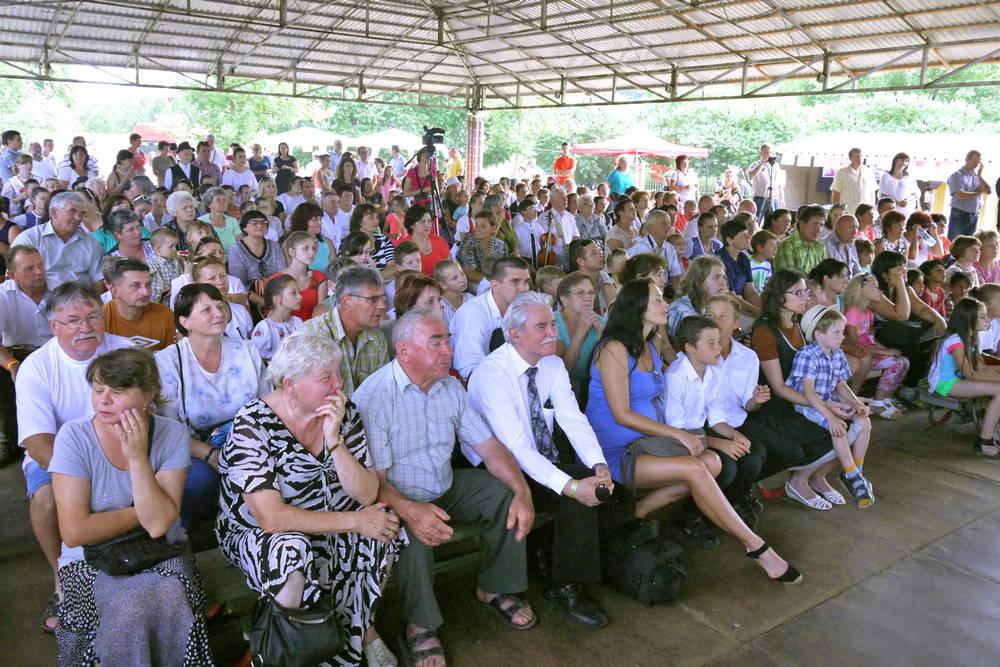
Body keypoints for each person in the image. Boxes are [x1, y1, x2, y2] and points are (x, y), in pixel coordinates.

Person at [585, 280, 802, 582]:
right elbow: (622, 414)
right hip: (616, 450)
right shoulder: (613, 349)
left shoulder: (651, 344)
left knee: (712, 462)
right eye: (658, 300)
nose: (665, 304)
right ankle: (757, 547)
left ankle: (637, 511)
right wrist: (679, 434)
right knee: (698, 469)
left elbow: (686, 373)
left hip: (649, 442)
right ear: (637, 308)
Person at [354, 309, 537, 665]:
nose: (447, 350)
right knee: (414, 535)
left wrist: (522, 491)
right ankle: (419, 625)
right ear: (404, 350)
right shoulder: (375, 397)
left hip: (445, 485)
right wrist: (411, 509)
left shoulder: (449, 387)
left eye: (448, 340)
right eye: (435, 342)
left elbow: (490, 448)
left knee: (503, 494)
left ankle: (494, 586)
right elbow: (375, 485)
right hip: (395, 496)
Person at [216, 334, 400, 667]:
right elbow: (271, 519)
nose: (339, 383)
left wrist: (335, 441)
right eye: (326, 377)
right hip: (259, 531)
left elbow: (367, 493)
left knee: (386, 530)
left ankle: (362, 629)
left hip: (330, 517)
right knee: (291, 551)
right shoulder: (252, 424)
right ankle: (287, 653)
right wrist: (355, 522)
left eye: (338, 373)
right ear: (290, 385)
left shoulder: (344, 412)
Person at [49, 348, 211, 665]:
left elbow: (160, 527)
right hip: (89, 558)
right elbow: (74, 531)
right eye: (98, 390)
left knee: (170, 594)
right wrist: (145, 512)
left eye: (118, 391)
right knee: (127, 605)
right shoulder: (74, 437)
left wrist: (137, 457)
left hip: (159, 549)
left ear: (148, 395)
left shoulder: (171, 434)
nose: (104, 401)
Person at [468, 292, 610, 628]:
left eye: (552, 324)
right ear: (514, 335)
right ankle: (565, 585)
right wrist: (572, 486)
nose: (554, 334)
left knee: (607, 490)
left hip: (537, 456)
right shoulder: (492, 374)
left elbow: (572, 418)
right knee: (576, 500)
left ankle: (551, 559)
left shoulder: (552, 363)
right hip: (498, 466)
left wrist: (598, 465)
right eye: (542, 326)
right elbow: (516, 448)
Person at [15, 282, 132, 633]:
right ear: (54, 326)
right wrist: (85, 475)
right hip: (59, 456)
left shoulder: (125, 352)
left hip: (122, 448)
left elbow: (152, 414)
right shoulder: (36, 366)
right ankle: (61, 577)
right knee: (47, 499)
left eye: (93, 316)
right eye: (73, 320)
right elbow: (37, 442)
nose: (86, 327)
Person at [156, 283, 268, 528]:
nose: (218, 313)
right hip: (194, 447)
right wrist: (210, 454)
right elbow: (168, 429)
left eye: (220, 306)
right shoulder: (168, 362)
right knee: (198, 480)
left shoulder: (247, 351)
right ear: (185, 321)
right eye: (206, 310)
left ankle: (255, 532)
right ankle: (185, 537)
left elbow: (267, 407)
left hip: (248, 442)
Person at [787, 308, 874, 507]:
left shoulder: (837, 354)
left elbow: (840, 385)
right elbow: (808, 393)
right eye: (837, 332)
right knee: (839, 429)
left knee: (864, 421)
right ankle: (852, 476)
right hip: (808, 405)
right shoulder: (807, 355)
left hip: (827, 401)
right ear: (818, 334)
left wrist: (856, 403)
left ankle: (856, 470)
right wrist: (831, 416)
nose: (842, 336)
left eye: (842, 331)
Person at [928, 297, 1000, 457]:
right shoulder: (956, 341)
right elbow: (971, 374)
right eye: (982, 317)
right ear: (969, 320)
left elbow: (981, 367)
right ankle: (985, 442)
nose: (987, 319)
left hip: (959, 379)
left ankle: (989, 436)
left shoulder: (972, 336)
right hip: (945, 383)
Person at [302, 266, 389, 396]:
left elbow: (382, 393)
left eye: (382, 298)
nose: (382, 306)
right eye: (373, 299)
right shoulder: (313, 336)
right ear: (347, 302)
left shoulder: (377, 338)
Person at [0, 246, 51, 462]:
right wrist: (12, 364)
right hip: (18, 354)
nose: (39, 272)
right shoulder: (3, 295)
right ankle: (6, 438)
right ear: (12, 275)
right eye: (29, 269)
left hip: (53, 352)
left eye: (40, 265)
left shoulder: (60, 288)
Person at [450, 256, 531, 379]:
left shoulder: (525, 308)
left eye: (526, 282)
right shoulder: (472, 314)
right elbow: (470, 370)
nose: (523, 288)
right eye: (515, 282)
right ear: (495, 286)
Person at [843, 275, 910, 420]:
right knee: (897, 363)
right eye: (874, 287)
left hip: (870, 351)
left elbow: (868, 338)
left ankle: (886, 399)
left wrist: (886, 351)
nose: (879, 290)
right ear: (860, 290)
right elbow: (855, 344)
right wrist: (883, 351)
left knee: (903, 361)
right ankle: (877, 402)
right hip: (859, 354)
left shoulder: (867, 312)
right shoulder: (852, 313)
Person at [12, 191, 103, 290]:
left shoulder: (90, 243)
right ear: (54, 213)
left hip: (81, 300)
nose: (78, 218)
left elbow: (98, 280)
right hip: (40, 301)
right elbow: (16, 279)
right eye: (72, 211)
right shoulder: (29, 239)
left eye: (81, 213)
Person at [102, 258, 176, 351]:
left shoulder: (165, 314)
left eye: (148, 284)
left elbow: (173, 358)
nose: (145, 292)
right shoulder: (102, 318)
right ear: (115, 291)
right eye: (135, 286)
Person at [553, 272, 605, 395]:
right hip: (562, 390)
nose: (588, 297)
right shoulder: (551, 323)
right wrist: (580, 334)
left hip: (593, 388)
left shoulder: (600, 322)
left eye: (591, 293)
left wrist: (603, 335)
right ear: (564, 299)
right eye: (580, 293)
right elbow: (563, 372)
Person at [227, 209, 286, 300]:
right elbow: (239, 283)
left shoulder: (274, 246)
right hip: (248, 297)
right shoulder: (235, 250)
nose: (260, 225)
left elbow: (282, 273)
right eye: (254, 222)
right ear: (244, 227)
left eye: (263, 222)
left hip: (276, 292)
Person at [666, 254, 728, 341]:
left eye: (723, 277)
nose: (723, 283)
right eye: (716, 278)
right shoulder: (681, 311)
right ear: (699, 281)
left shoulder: (716, 306)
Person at [628, 209, 683, 290]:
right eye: (664, 223)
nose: (668, 226)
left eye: (669, 223)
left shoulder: (670, 248)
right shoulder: (641, 247)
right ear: (651, 227)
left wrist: (674, 296)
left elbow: (675, 276)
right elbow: (642, 281)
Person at [947, 150, 991, 240]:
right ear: (967, 160)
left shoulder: (976, 176)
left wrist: (980, 175)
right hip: (959, 214)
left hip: (974, 215)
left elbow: (988, 191)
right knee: (954, 243)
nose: (976, 165)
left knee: (968, 246)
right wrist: (978, 192)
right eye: (974, 161)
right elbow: (959, 195)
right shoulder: (957, 175)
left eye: (978, 162)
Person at [773, 205, 826, 275]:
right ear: (802, 224)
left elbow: (826, 274)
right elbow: (789, 281)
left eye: (821, 225)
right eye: (814, 224)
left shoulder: (820, 245)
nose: (818, 229)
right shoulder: (787, 246)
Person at [831, 148, 877, 214]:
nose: (860, 158)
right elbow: (836, 192)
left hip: (865, 212)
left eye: (861, 156)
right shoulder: (842, 172)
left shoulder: (869, 172)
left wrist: (872, 209)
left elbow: (872, 192)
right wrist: (836, 211)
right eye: (857, 156)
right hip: (848, 212)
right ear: (850, 158)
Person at [197, 187, 241, 251]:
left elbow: (240, 245)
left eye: (224, 200)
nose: (222, 202)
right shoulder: (201, 221)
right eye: (218, 200)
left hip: (231, 258)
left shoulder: (233, 221)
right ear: (209, 204)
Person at [748, 144, 784, 221]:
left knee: (774, 221)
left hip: (774, 198)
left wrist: (782, 199)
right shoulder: (755, 164)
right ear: (761, 153)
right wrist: (762, 164)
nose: (768, 155)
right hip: (760, 198)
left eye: (770, 153)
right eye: (766, 153)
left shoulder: (775, 166)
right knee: (757, 220)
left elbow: (780, 183)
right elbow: (750, 176)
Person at [878, 152, 919, 219]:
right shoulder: (885, 177)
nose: (903, 163)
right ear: (895, 161)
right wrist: (897, 202)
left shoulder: (909, 178)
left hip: (906, 211)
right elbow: (882, 195)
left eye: (906, 161)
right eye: (901, 160)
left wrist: (907, 201)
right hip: (889, 210)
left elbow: (916, 194)